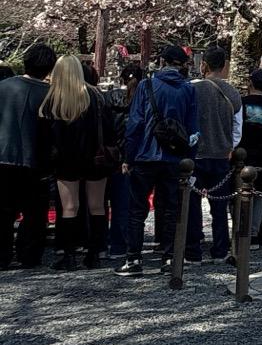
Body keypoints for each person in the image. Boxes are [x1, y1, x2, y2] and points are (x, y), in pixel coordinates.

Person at [120, 44, 199, 274]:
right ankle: (170, 258)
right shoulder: (188, 89)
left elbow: (134, 124)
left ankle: (133, 259)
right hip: (175, 157)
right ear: (181, 65)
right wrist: (189, 159)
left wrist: (128, 156)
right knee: (171, 208)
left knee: (137, 209)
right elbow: (193, 129)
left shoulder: (146, 86)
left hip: (145, 155)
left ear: (162, 62)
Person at [35, 52, 107, 270]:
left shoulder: (51, 101)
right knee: (97, 206)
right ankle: (95, 254)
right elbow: (110, 129)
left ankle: (69, 255)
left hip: (65, 161)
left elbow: (44, 138)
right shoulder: (95, 97)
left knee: (69, 207)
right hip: (95, 158)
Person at [0, 42, 58, 271]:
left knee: (2, 210)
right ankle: (30, 255)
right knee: (34, 212)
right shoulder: (50, 94)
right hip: (36, 160)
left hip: (3, 156)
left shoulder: (3, 87)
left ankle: (2, 255)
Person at [189, 43, 242, 262]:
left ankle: (192, 250)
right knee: (219, 207)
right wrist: (229, 146)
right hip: (222, 155)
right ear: (224, 66)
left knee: (192, 205)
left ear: (204, 65)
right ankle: (221, 248)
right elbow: (238, 129)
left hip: (196, 155)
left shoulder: (192, 88)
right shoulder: (233, 93)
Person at [102, 62, 144, 258]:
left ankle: (112, 243)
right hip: (136, 156)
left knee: (110, 201)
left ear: (120, 78)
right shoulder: (143, 99)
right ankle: (128, 245)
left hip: (112, 155)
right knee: (132, 204)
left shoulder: (108, 98)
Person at [238, 68, 262, 247]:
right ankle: (255, 232)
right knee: (260, 194)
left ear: (250, 83)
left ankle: (242, 231)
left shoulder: (241, 103)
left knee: (243, 193)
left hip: (243, 153)